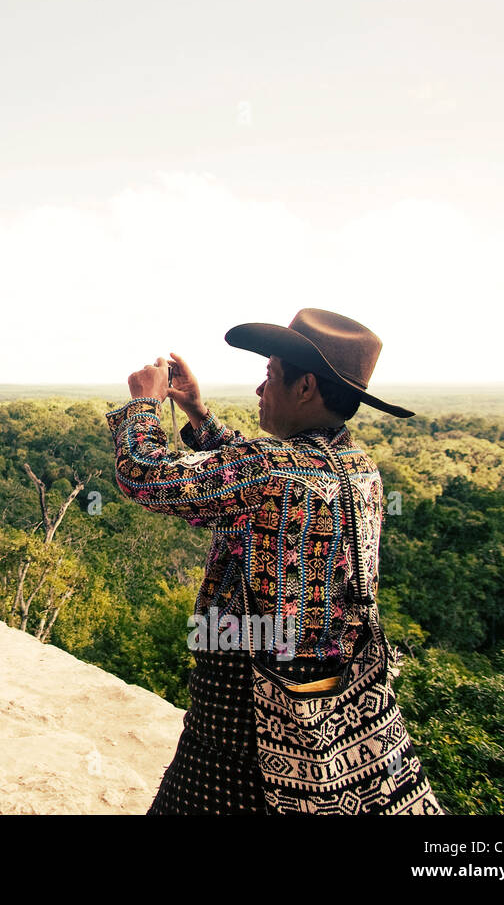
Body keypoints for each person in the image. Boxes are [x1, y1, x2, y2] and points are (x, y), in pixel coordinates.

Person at [106, 309, 427, 815]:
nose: (260, 390)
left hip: (243, 714)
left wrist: (144, 405)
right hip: (325, 698)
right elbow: (256, 482)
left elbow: (145, 476)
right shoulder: (359, 469)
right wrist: (196, 412)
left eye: (270, 375)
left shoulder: (271, 470)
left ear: (304, 388)